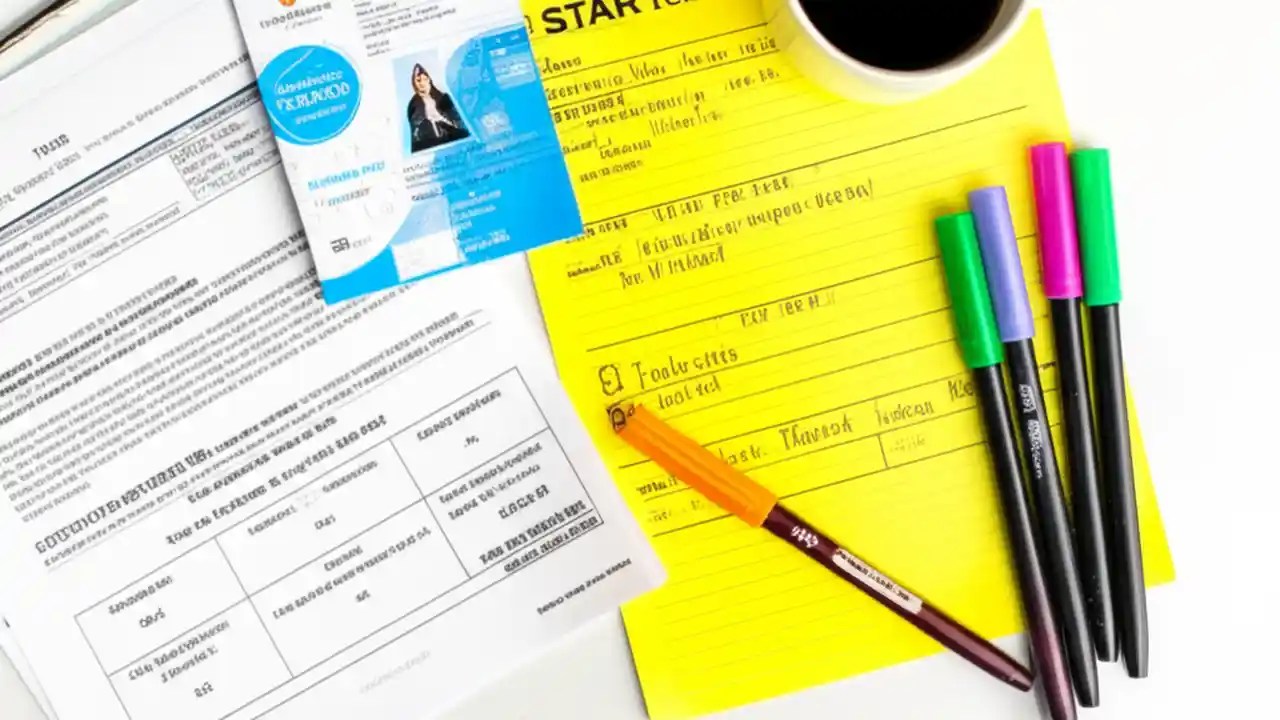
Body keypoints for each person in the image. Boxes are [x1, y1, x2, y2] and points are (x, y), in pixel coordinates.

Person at [406, 63, 468, 153]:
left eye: (425, 79)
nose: (422, 83)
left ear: (429, 80)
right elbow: (414, 138)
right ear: (414, 83)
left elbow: (461, 124)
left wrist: (442, 121)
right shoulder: (413, 106)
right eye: (418, 80)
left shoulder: (444, 99)